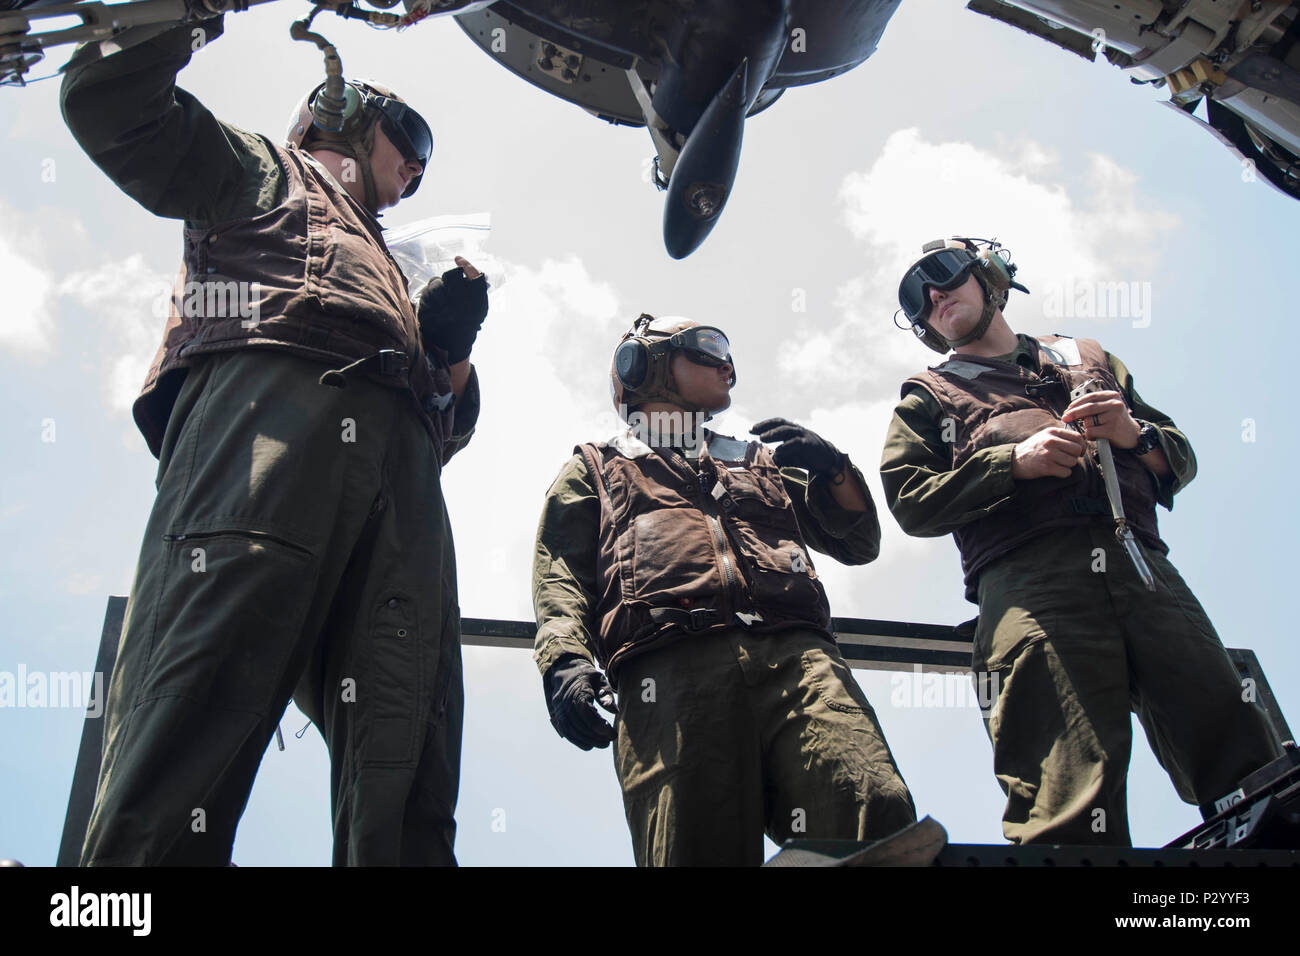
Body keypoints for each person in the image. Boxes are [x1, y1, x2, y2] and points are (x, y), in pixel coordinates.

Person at [60, 15, 487, 865]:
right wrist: (176, 14)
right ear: (344, 115)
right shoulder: (261, 169)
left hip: (401, 471)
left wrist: (450, 350)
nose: (415, 169)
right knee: (196, 693)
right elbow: (111, 105)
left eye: (425, 160)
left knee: (409, 732)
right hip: (273, 412)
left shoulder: (399, 266)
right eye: (409, 139)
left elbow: (455, 426)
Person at [879, 237, 1281, 846]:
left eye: (941, 275)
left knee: (1238, 746)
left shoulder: (1085, 355)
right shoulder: (928, 394)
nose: (932, 295)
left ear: (990, 278)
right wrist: (1012, 462)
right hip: (1031, 585)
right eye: (916, 297)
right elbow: (910, 498)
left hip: (1143, 567)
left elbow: (1178, 455)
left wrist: (1130, 432)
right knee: (1065, 777)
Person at [532, 314, 916, 866]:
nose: (727, 365)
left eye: (728, 350)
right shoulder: (597, 468)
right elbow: (559, 575)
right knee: (690, 846)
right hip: (668, 673)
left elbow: (858, 542)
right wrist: (564, 662)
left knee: (872, 807)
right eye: (707, 349)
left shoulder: (757, 459)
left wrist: (834, 471)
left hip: (798, 659)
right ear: (644, 365)